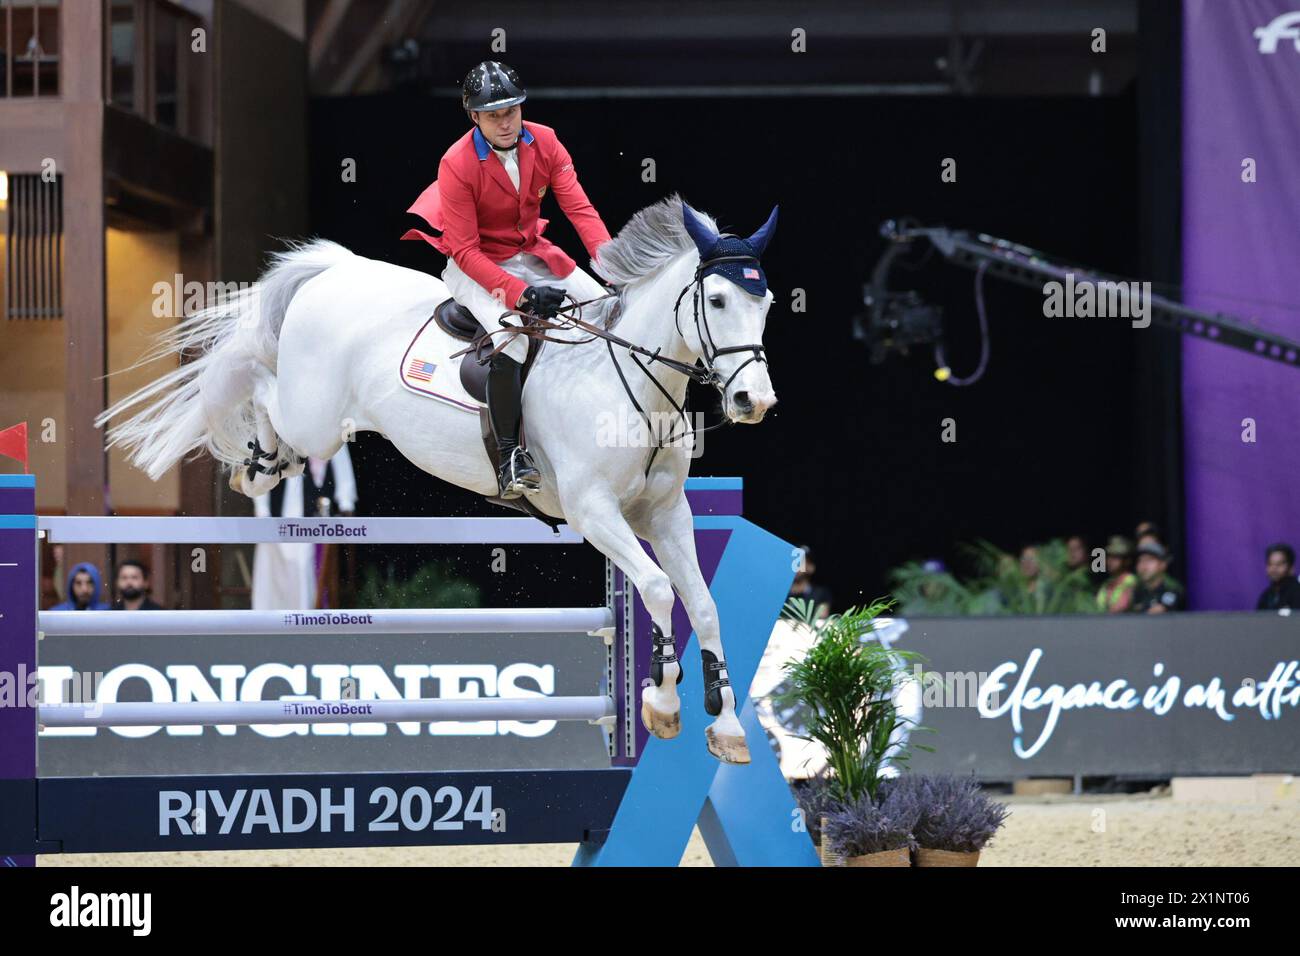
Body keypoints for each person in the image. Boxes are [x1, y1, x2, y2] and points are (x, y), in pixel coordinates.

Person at [404, 61, 613, 499]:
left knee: (609, 309)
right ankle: (509, 457)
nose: (504, 122)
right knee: (513, 339)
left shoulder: (547, 141)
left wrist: (614, 269)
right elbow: (464, 250)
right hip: (474, 267)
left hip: (532, 253)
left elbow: (581, 211)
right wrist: (520, 294)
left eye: (511, 111)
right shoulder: (457, 163)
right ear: (474, 117)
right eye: (493, 114)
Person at [1130, 541, 1186, 613]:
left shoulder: (1172, 588)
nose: (1144, 565)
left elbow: (1159, 611)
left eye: (1149, 560)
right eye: (1140, 560)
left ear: (1163, 564)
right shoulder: (1136, 589)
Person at [788, 545, 833, 619]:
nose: (795, 564)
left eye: (800, 561)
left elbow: (820, 622)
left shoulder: (821, 594)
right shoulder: (780, 591)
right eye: (794, 560)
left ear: (811, 567)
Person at [1096, 535, 1137, 613]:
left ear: (1127, 560)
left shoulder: (1131, 581)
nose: (1110, 561)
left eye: (1115, 557)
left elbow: (1119, 608)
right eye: (1108, 556)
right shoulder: (1106, 584)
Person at [1256, 543, 1300, 611]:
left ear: (1291, 568)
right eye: (1270, 564)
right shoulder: (1266, 595)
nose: (1273, 569)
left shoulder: (1297, 592)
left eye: (1279, 564)